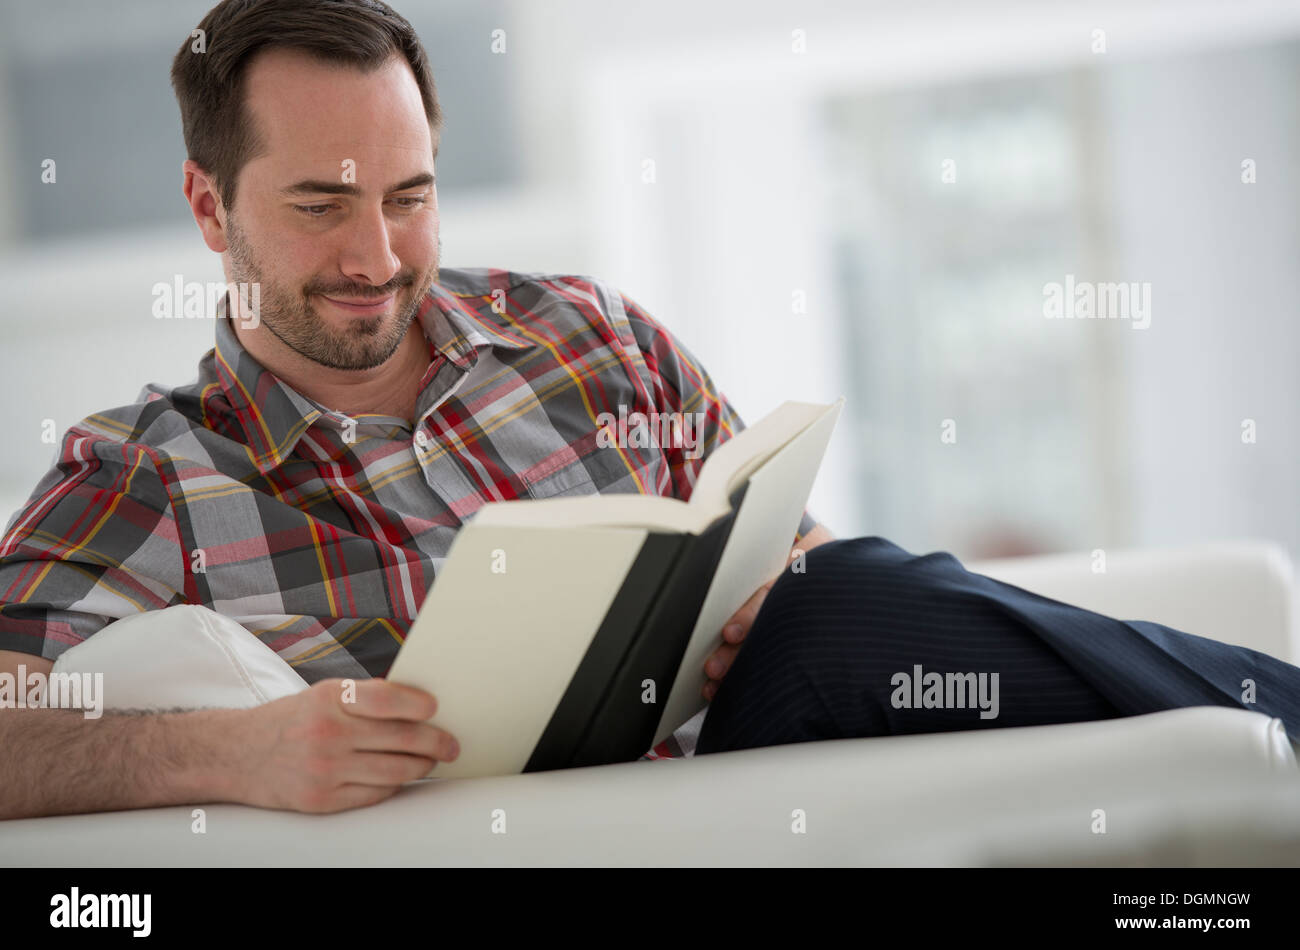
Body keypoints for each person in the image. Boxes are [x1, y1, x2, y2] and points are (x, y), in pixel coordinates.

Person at [2, 0, 1297, 821]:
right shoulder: (147, 473)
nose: (378, 253)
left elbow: (785, 539)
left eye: (409, 194)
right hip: (543, 835)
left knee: (845, 593)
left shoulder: (581, 333)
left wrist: (751, 595)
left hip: (750, 761)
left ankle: (1271, 728)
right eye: (321, 205)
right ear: (209, 208)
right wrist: (235, 756)